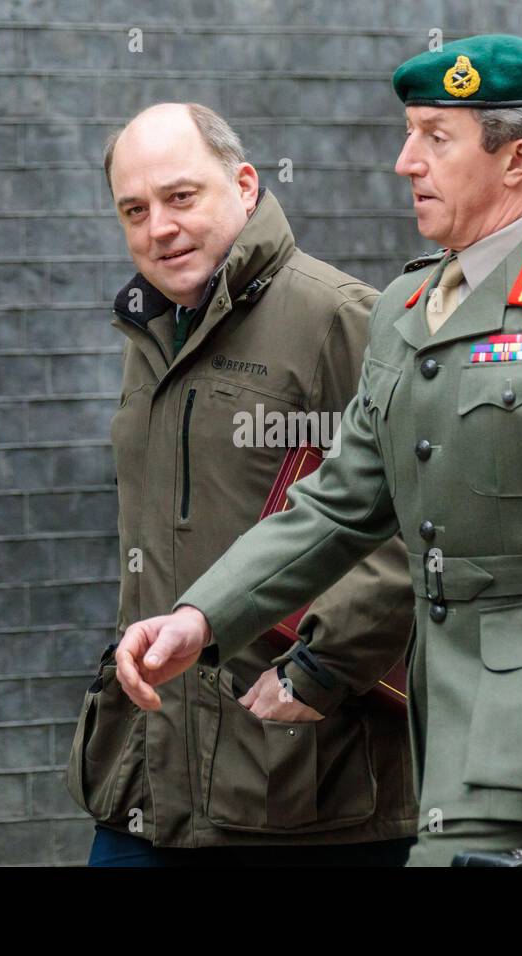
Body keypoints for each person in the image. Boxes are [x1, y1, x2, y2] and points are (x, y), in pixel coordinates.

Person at [112, 37, 522, 867]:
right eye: (409, 133)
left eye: (436, 137)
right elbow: (337, 503)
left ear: (518, 159)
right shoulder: (408, 303)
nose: (406, 162)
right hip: (443, 728)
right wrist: (201, 616)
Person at [65, 102, 418, 865]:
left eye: (181, 197)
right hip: (149, 774)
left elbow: (417, 519)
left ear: (246, 185)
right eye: (135, 209)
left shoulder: (341, 318)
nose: (159, 227)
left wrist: (320, 670)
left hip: (302, 779)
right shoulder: (153, 331)